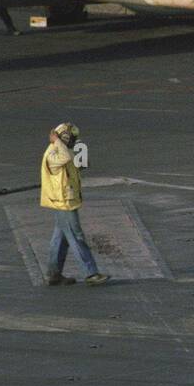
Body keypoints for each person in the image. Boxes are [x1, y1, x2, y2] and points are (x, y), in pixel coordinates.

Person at [40, 122, 109, 286]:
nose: (74, 141)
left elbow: (70, 166)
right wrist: (57, 141)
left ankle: (53, 274)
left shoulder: (61, 149)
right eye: (72, 138)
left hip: (64, 200)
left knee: (60, 238)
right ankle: (91, 273)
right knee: (76, 237)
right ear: (63, 137)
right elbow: (65, 158)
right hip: (64, 202)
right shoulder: (53, 153)